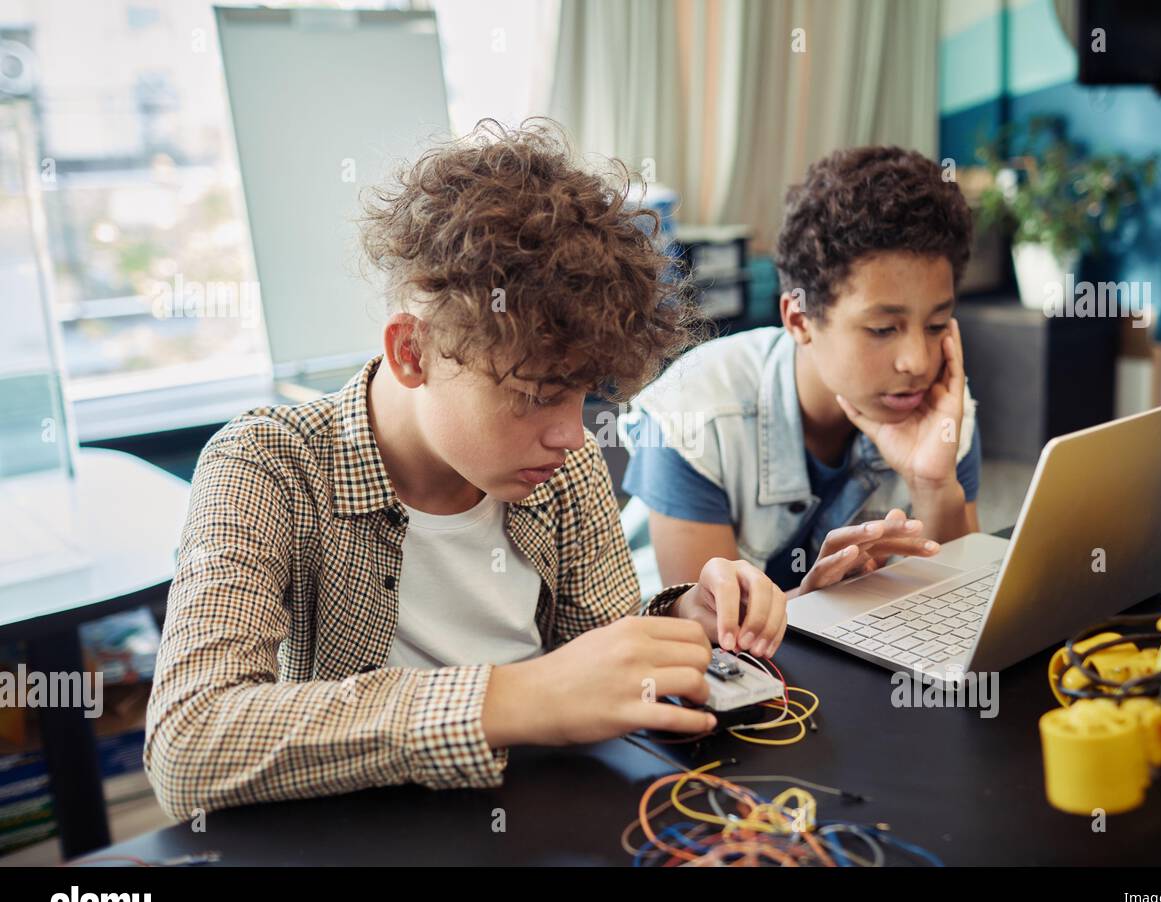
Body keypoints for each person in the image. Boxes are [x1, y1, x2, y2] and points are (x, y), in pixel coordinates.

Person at [143, 120, 788, 820]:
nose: (574, 435)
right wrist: (515, 700)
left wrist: (680, 622)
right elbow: (189, 741)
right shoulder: (267, 465)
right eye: (537, 395)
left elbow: (596, 652)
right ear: (412, 353)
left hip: (535, 817)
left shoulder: (555, 467)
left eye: (584, 394)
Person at [621, 146, 980, 657]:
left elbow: (960, 614)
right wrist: (811, 605)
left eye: (937, 324)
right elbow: (715, 646)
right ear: (798, 319)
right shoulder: (694, 409)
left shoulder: (942, 403)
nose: (917, 362)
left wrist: (934, 484)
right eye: (883, 328)